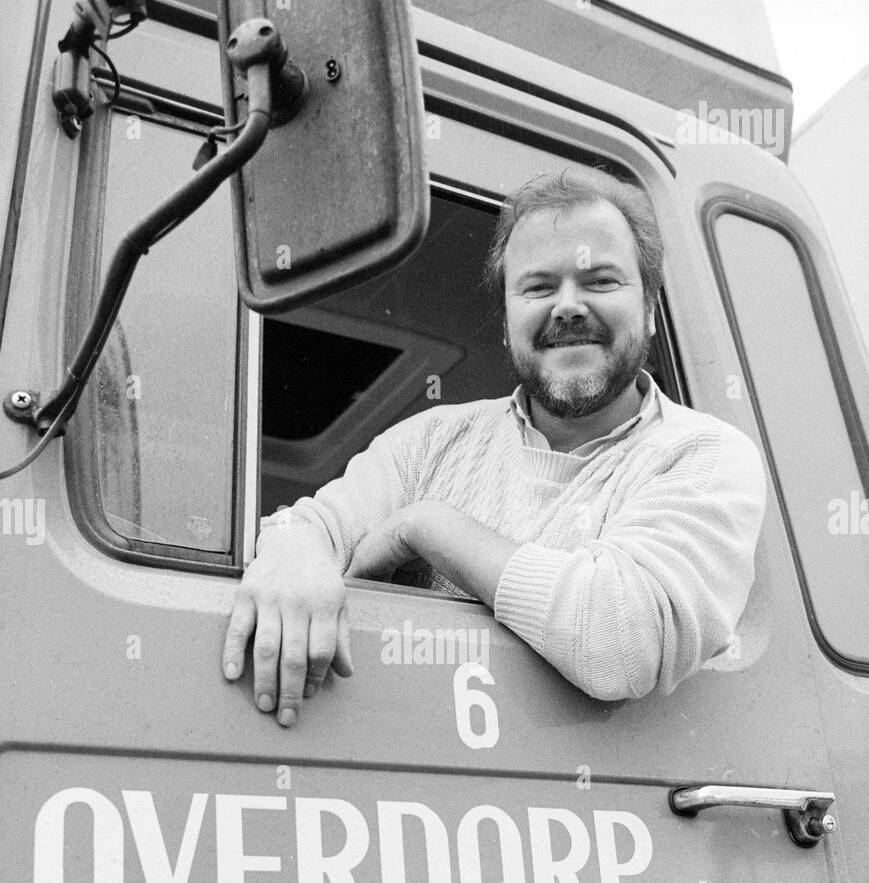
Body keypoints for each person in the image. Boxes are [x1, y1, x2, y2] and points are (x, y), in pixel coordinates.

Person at [222, 168, 766, 724]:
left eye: (601, 281)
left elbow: (620, 642)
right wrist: (292, 547)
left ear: (650, 311)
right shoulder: (430, 440)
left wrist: (426, 526)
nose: (568, 306)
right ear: (507, 324)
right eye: (538, 287)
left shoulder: (705, 456)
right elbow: (316, 525)